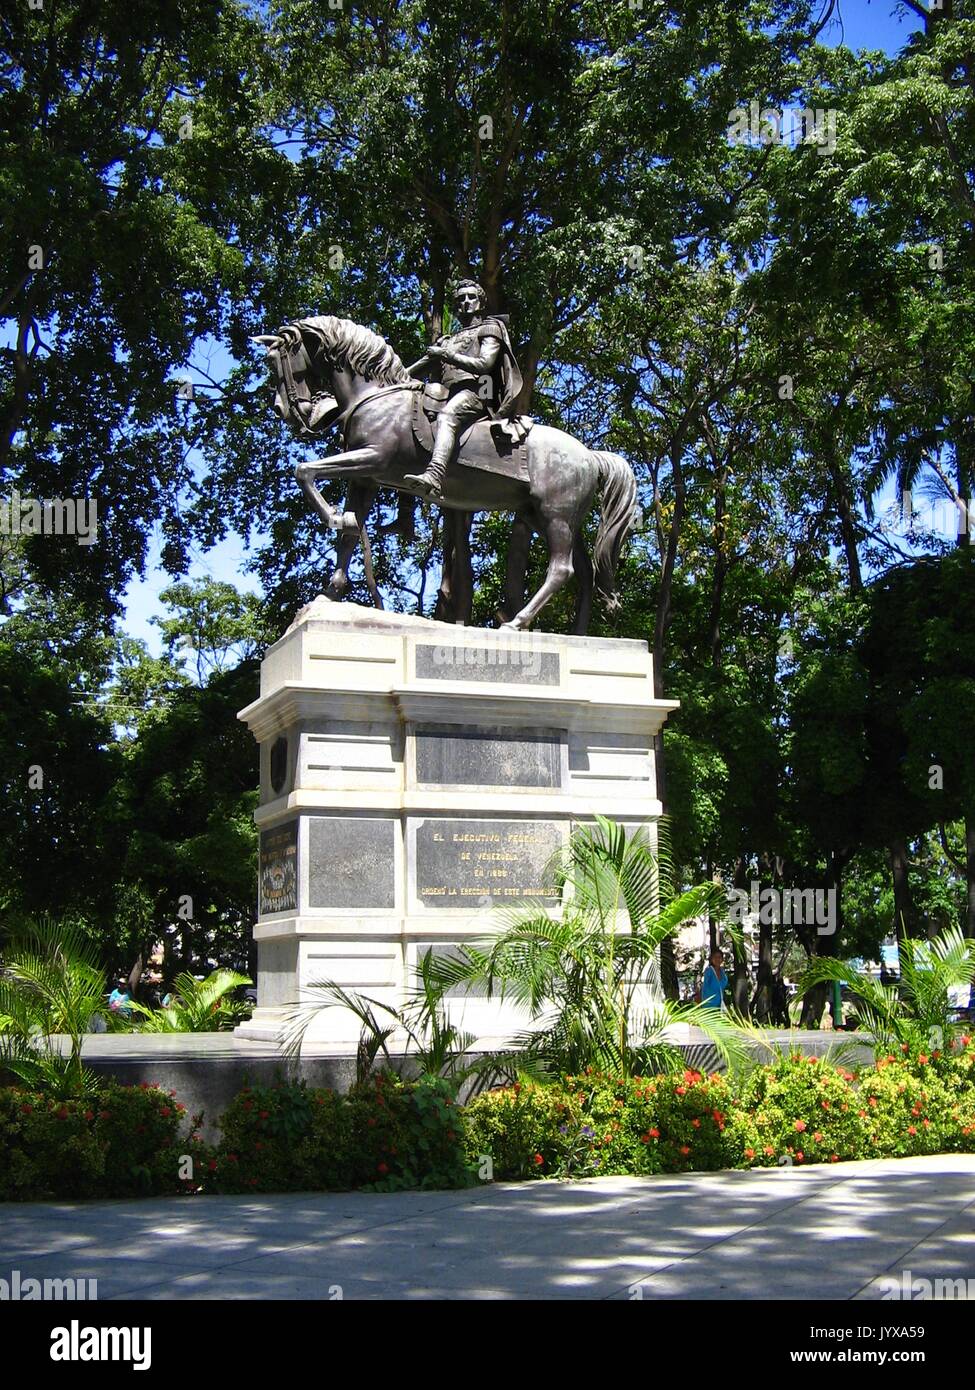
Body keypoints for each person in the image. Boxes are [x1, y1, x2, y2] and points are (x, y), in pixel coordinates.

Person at [403, 278, 524, 501]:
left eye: (471, 297)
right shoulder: (448, 339)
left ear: (481, 302)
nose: (466, 302)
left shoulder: (490, 328)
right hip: (446, 392)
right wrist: (391, 376)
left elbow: (484, 364)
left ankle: (435, 476)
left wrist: (447, 355)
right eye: (460, 299)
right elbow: (418, 367)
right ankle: (405, 515)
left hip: (479, 392)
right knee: (405, 425)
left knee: (448, 416)